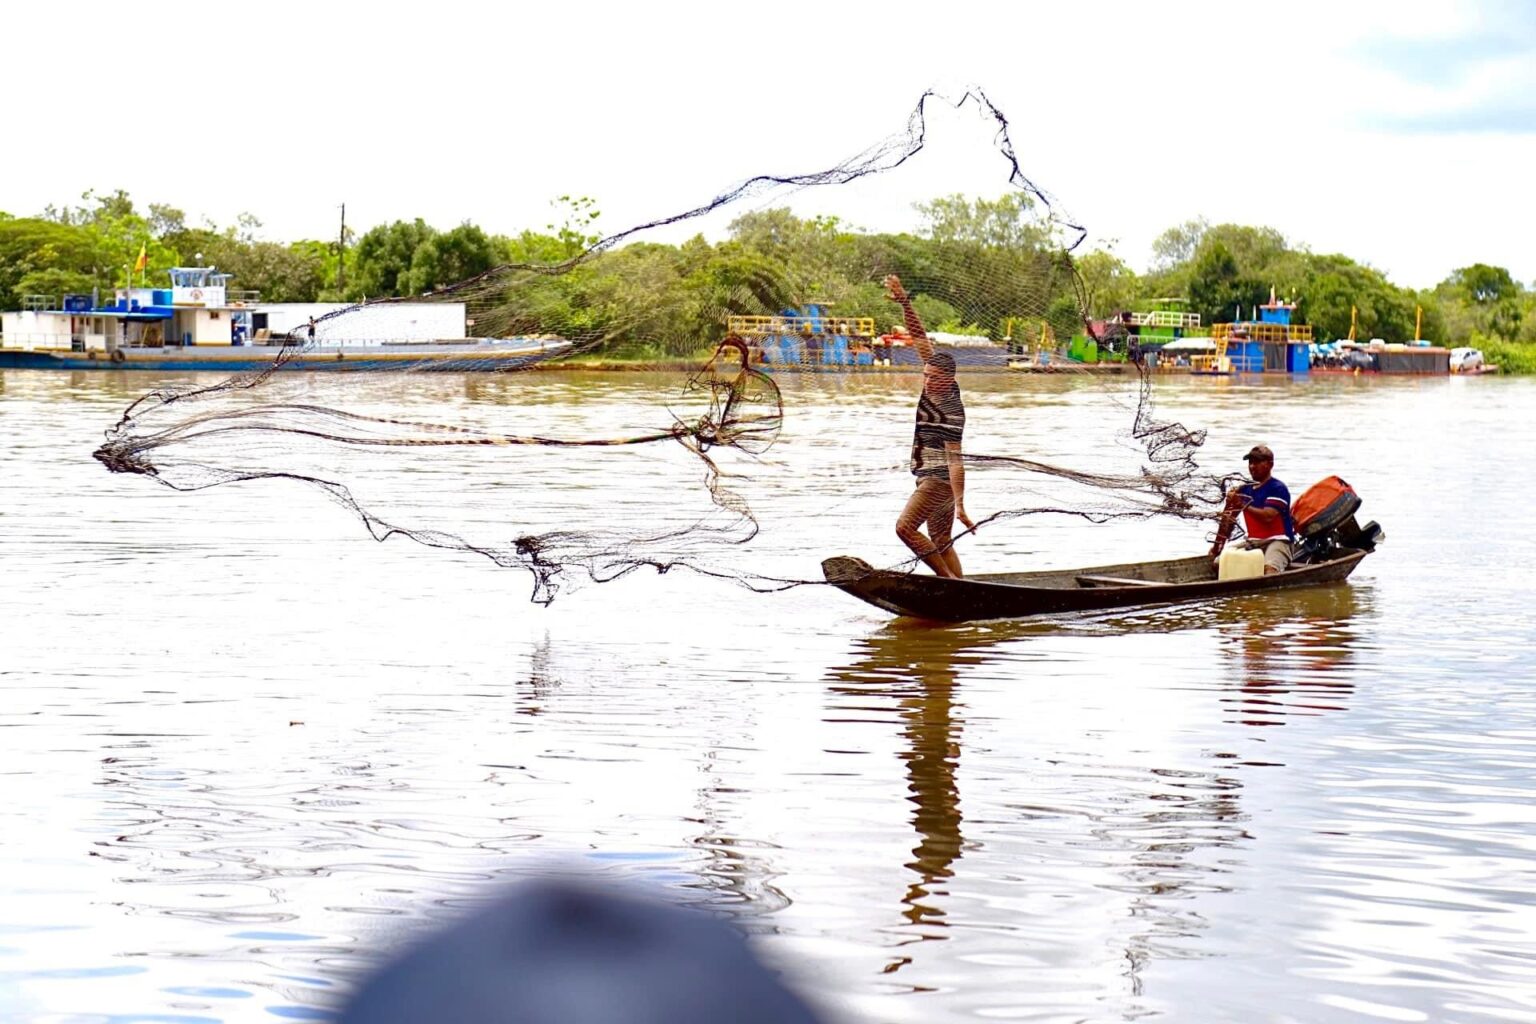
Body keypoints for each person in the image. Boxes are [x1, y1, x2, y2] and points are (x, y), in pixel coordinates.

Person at [885, 274, 974, 578]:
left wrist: (961, 504)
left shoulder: (950, 409)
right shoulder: (931, 385)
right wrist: (904, 301)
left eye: (935, 378)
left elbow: (956, 460)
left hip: (938, 481)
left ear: (950, 380)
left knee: (905, 528)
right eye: (925, 376)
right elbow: (920, 336)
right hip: (930, 479)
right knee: (940, 540)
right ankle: (963, 592)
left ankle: (948, 583)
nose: (928, 382)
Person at [1224, 444, 1294, 573]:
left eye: (1257, 462)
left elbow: (1268, 516)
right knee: (1219, 564)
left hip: (1278, 540)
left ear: (1270, 464)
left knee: (1270, 569)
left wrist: (1241, 504)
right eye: (1250, 462)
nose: (1252, 466)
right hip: (1253, 541)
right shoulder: (1244, 490)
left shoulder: (1277, 488)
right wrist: (1217, 547)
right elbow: (1228, 520)